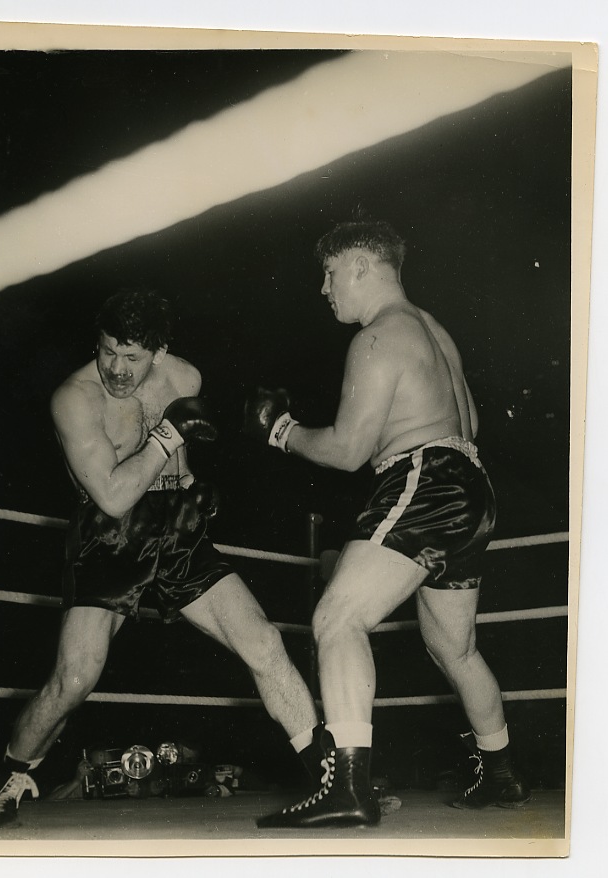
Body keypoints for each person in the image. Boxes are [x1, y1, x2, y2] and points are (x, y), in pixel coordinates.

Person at [0, 288, 320, 827]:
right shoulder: (74, 398)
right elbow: (112, 494)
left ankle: (328, 775)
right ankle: (14, 774)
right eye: (107, 351)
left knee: (265, 642)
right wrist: (166, 436)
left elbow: (180, 459)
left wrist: (195, 487)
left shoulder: (184, 378)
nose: (116, 368)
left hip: (178, 529)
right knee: (75, 677)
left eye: (132, 357)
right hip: (110, 532)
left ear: (159, 353)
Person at [244, 219, 530, 828]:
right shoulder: (435, 332)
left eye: (329, 273)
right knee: (453, 646)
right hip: (470, 487)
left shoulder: (377, 337)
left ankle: (346, 786)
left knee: (338, 618)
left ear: (360, 266)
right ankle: (500, 770)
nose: (324, 289)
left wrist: (281, 432)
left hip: (424, 481)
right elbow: (470, 424)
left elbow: (350, 450)